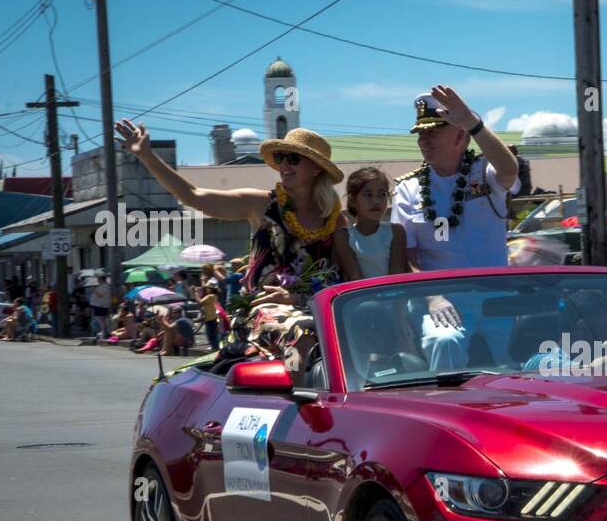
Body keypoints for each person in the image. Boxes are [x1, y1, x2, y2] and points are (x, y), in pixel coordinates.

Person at [115, 118, 360, 308]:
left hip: (315, 307)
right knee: (300, 340)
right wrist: (147, 155)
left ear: (316, 168)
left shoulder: (335, 218)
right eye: (280, 157)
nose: (284, 165)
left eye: (293, 158)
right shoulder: (260, 204)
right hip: (266, 307)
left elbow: (345, 273)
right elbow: (193, 196)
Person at [390, 86, 519, 369]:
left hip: (497, 296)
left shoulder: (484, 172)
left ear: (460, 135)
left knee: (517, 361)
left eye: (432, 132)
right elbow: (406, 255)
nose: (424, 140)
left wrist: (474, 123)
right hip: (442, 298)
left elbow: (510, 171)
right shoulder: (408, 188)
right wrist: (433, 298)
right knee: (443, 341)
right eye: (420, 134)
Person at [345, 166, 409, 280]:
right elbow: (355, 280)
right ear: (352, 200)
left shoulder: (396, 232)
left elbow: (396, 278)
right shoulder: (345, 237)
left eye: (382, 194)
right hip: (361, 296)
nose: (376, 201)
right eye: (368, 195)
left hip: (393, 295)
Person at [198, 286, 221, 351]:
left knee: (210, 333)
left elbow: (200, 301)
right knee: (213, 333)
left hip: (210, 317)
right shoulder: (214, 296)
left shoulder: (210, 296)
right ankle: (215, 346)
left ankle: (214, 346)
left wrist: (196, 294)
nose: (207, 289)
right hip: (212, 316)